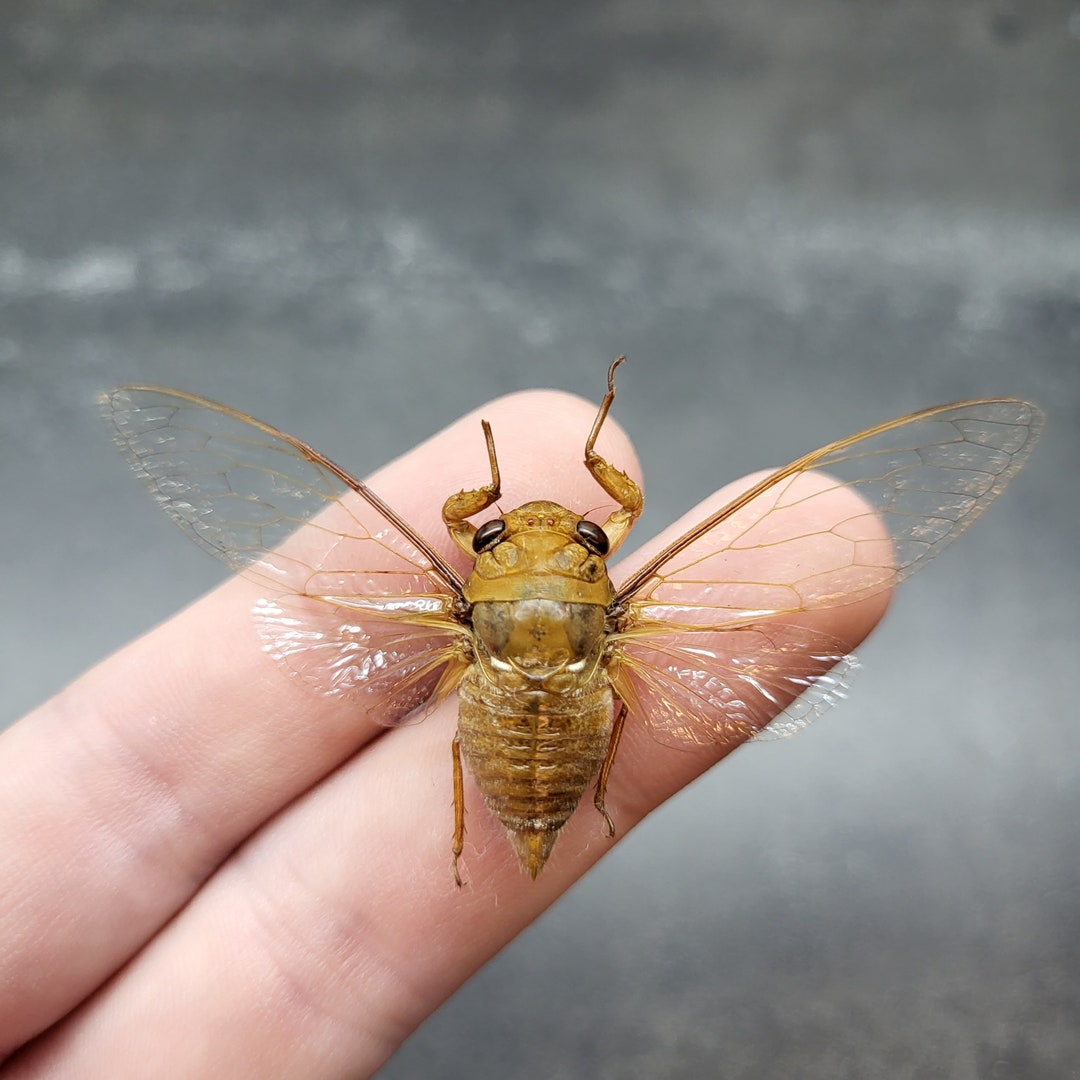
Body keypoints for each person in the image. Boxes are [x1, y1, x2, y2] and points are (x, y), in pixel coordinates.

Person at [0, 389, 885, 1077]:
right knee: (593, 710)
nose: (540, 533)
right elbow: (623, 528)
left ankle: (507, 822)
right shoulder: (609, 585)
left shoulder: (464, 573)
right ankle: (560, 807)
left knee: (475, 739)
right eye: (501, 528)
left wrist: (490, 501)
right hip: (581, 699)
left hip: (502, 715)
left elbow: (463, 526)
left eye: (575, 530)